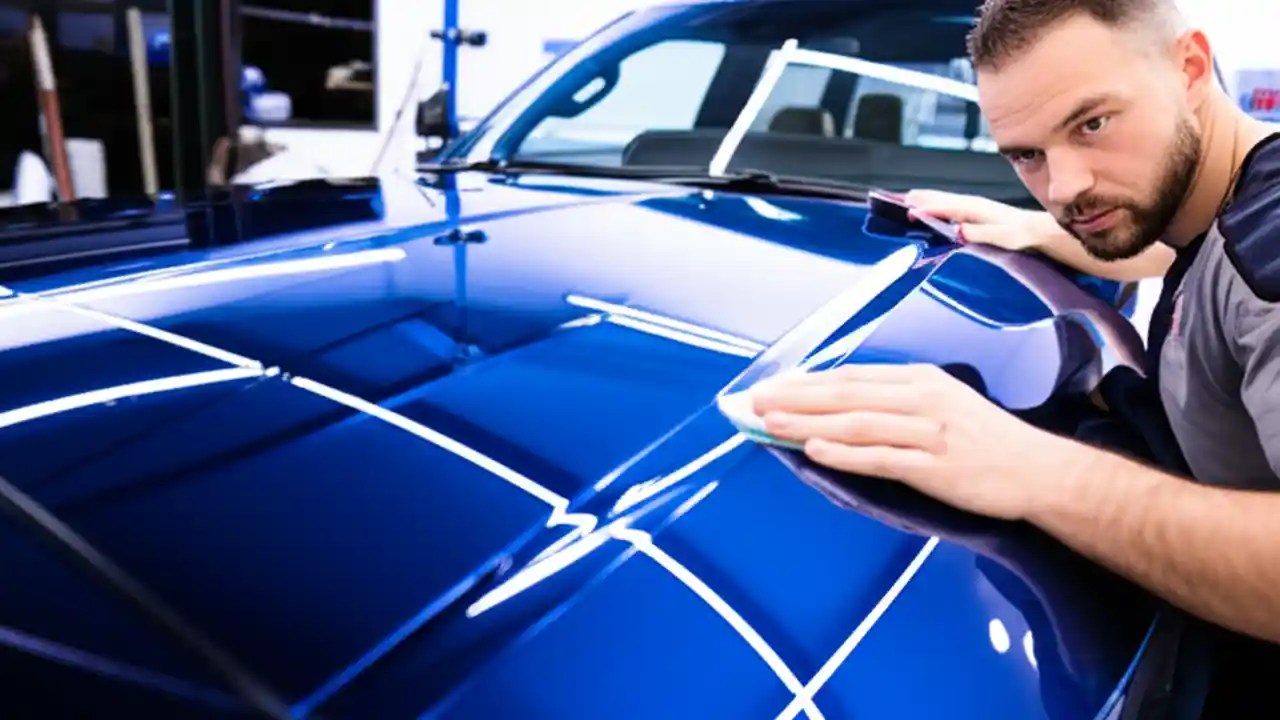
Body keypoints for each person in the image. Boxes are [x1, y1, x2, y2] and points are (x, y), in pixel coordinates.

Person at [748, 0, 1279, 715]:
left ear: (1188, 68)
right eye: (1026, 155)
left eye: (1092, 124)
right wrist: (1038, 232)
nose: (1065, 188)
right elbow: (1197, 242)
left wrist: (1032, 468)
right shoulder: (1230, 196)